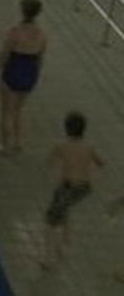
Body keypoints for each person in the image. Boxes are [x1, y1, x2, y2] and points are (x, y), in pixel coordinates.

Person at [41, 112, 104, 269]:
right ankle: (66, 242)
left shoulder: (62, 145)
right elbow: (100, 162)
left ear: (66, 129)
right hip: (84, 188)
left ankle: (49, 258)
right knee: (66, 208)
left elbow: (49, 162)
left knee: (50, 222)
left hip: (67, 187)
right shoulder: (89, 146)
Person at [0, 0, 47, 154]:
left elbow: (4, 55)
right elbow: (41, 58)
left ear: (22, 11)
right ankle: (18, 141)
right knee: (18, 110)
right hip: (30, 72)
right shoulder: (42, 34)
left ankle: (3, 143)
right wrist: (35, 76)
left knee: (6, 110)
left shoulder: (15, 31)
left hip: (13, 71)